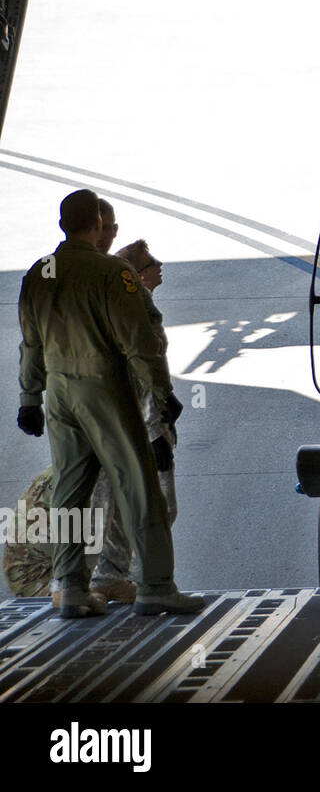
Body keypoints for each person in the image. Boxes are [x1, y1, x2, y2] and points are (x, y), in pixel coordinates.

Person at [16, 189, 202, 618]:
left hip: (59, 396)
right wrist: (161, 393)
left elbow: (31, 343)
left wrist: (30, 398)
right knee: (139, 486)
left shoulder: (38, 273)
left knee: (70, 490)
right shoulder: (112, 272)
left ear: (64, 225)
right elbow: (139, 342)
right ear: (98, 224)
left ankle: (72, 588)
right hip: (103, 388)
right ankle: (156, 584)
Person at [88, 239, 177, 603]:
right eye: (152, 262)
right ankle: (144, 582)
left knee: (124, 504)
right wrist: (158, 427)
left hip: (127, 419)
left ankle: (115, 577)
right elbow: (146, 367)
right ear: (137, 275)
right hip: (135, 422)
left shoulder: (129, 306)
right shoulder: (134, 309)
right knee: (155, 504)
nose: (159, 266)